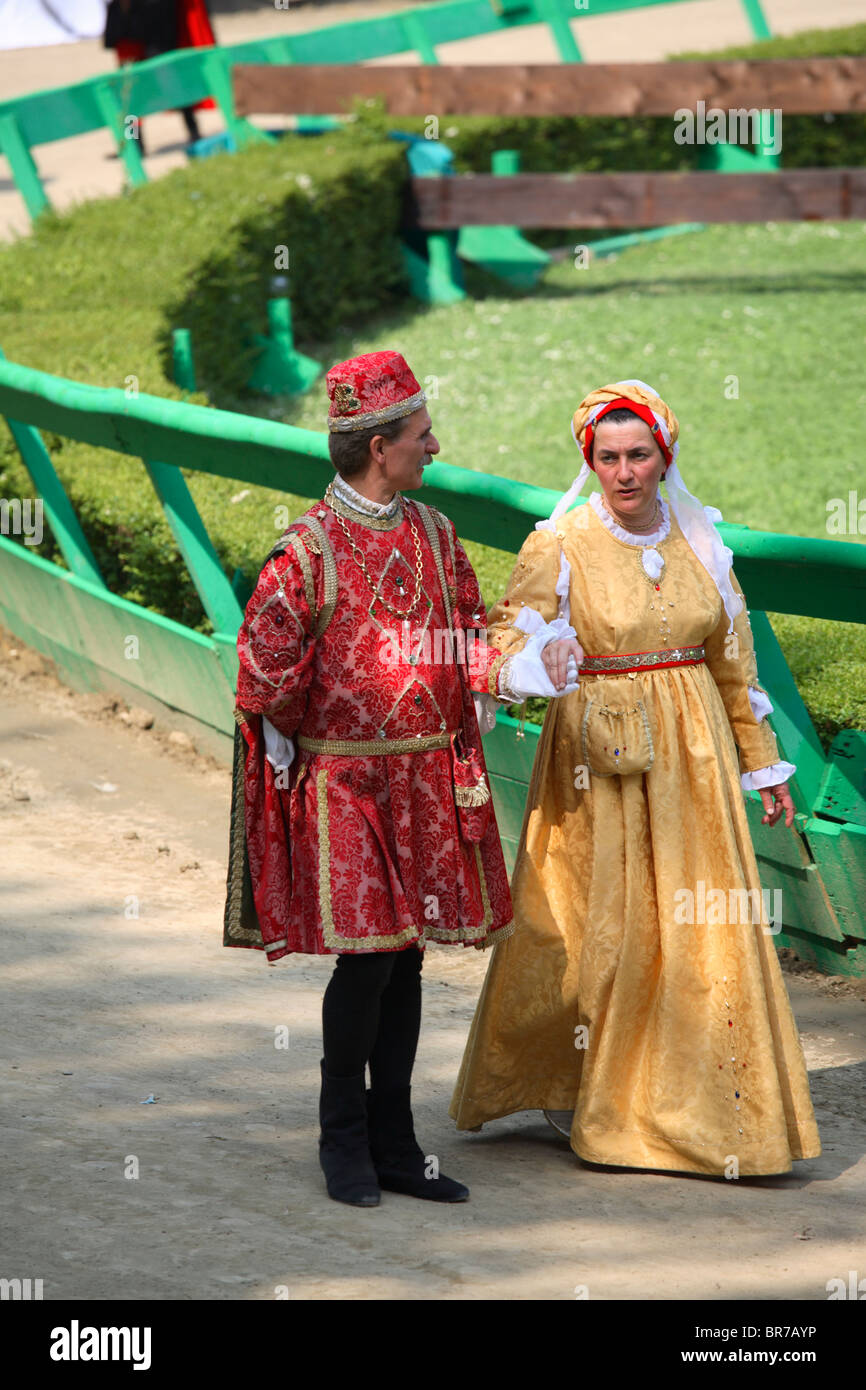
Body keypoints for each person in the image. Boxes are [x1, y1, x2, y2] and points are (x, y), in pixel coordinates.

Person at [223, 350, 577, 1207]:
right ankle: (343, 1139)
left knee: (407, 960)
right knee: (368, 963)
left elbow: (466, 644)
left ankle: (397, 1144)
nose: (434, 447)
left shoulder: (435, 535)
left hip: (421, 781)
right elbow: (261, 665)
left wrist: (528, 663)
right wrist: (301, 730)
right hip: (345, 789)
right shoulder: (304, 552)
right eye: (422, 436)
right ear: (381, 445)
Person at [450, 378, 821, 1178]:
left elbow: (733, 665)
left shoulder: (702, 542)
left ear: (665, 456)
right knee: (598, 928)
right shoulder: (560, 541)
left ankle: (704, 1109)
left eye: (639, 454)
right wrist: (536, 656)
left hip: (694, 759)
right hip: (595, 759)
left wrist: (763, 767)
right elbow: (504, 634)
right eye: (608, 456)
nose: (624, 471)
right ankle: (586, 1089)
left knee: (701, 931)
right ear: (591, 460)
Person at [104, 0, 216, 151]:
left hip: (156, 37)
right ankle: (135, 144)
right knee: (130, 98)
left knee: (174, 87)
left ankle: (193, 131)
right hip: (133, 41)